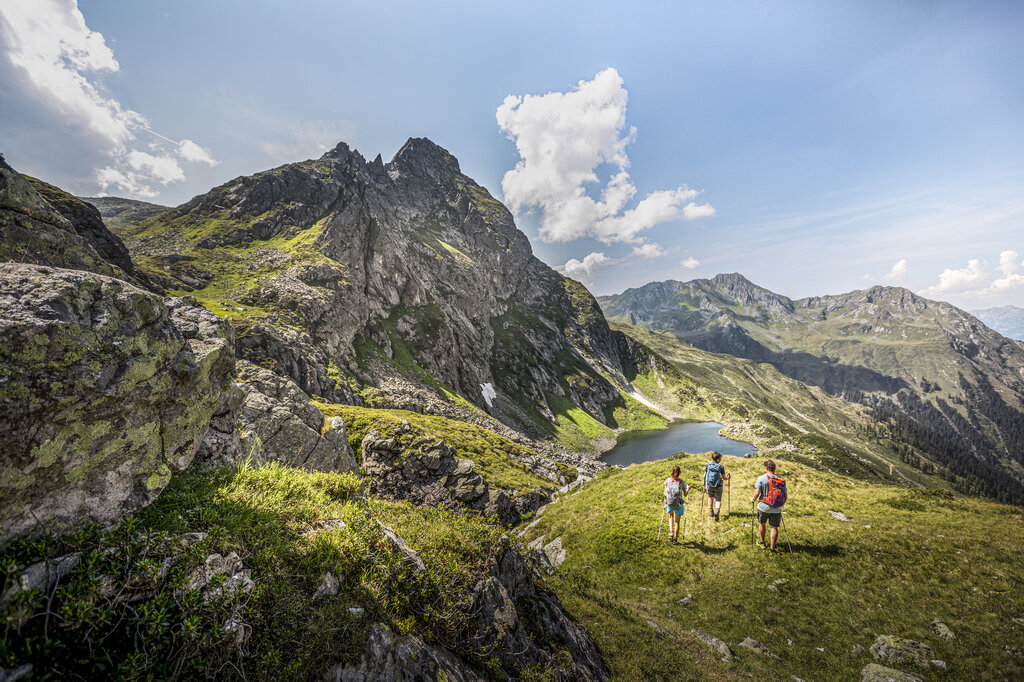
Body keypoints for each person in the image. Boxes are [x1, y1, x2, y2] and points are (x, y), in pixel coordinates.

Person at [750, 459, 787, 551]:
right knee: (774, 527)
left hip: (764, 507)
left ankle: (762, 542)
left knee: (762, 524)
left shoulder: (761, 478)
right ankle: (772, 547)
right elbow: (785, 496)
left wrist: (753, 499)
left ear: (766, 468)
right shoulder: (781, 480)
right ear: (774, 469)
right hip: (777, 508)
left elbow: (757, 492)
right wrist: (780, 504)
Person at [663, 465, 691, 544]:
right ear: (680, 473)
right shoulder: (681, 482)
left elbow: (664, 492)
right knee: (677, 522)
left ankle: (671, 532)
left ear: (672, 472)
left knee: (671, 516)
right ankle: (675, 540)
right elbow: (685, 494)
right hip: (678, 504)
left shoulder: (667, 480)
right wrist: (688, 489)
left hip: (669, 503)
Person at [704, 452, 730, 521]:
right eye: (720, 458)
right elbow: (724, 478)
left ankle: (711, 512)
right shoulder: (721, 467)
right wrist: (728, 477)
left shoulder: (708, 465)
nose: (721, 459)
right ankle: (717, 511)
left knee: (710, 498)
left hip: (709, 485)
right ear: (718, 459)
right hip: (718, 485)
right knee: (718, 499)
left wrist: (705, 484)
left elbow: (704, 476)